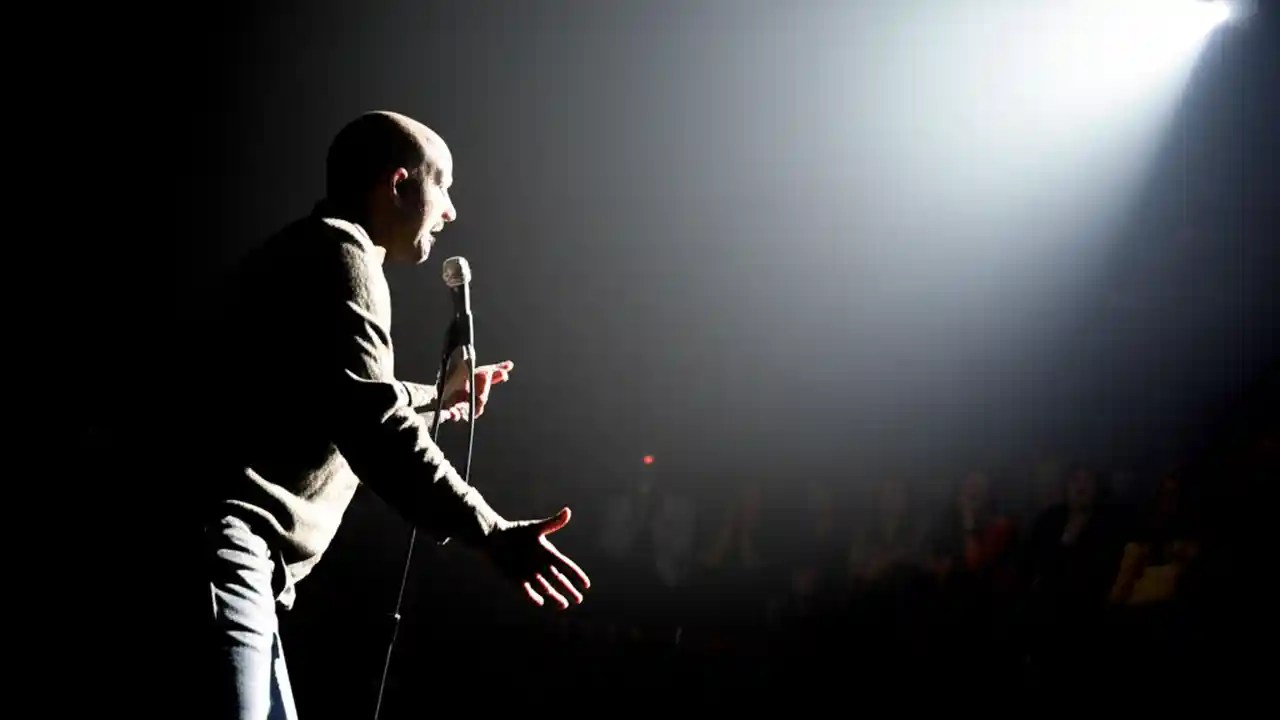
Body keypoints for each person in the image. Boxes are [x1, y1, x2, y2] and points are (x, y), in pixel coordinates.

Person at [199, 110, 590, 719]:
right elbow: (373, 424)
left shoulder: (318, 250)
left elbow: (349, 394)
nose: (452, 212)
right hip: (223, 544)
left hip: (243, 556)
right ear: (399, 184)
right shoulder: (343, 255)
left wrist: (441, 394)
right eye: (445, 186)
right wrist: (490, 531)